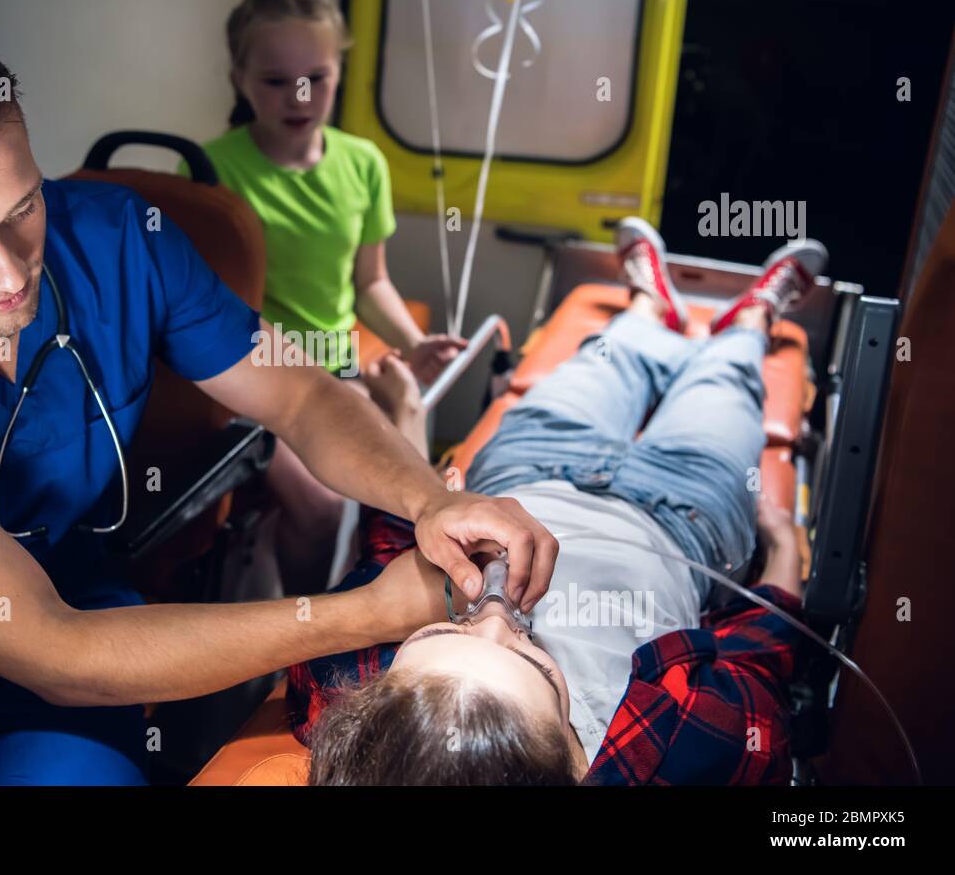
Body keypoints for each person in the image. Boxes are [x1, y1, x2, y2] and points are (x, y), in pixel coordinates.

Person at [0, 10, 556, 785]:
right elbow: (55, 652)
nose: (10, 274)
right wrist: (367, 614)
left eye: (22, 207)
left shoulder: (119, 236)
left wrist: (429, 499)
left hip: (81, 603)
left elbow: (299, 393)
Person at [289, 219, 827, 785]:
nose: (498, 610)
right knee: (727, 379)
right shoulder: (691, 749)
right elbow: (760, 656)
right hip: (683, 521)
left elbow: (395, 537)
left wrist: (408, 418)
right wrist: (785, 543)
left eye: (445, 630)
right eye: (530, 659)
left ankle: (648, 304)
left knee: (608, 358)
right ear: (574, 762)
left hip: (525, 471)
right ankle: (753, 319)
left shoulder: (345, 682)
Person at [191, 0, 468, 592]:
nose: (299, 97)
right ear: (239, 79)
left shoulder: (363, 163)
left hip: (336, 367)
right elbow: (199, 310)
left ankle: (321, 596)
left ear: (340, 72)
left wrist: (414, 342)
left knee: (399, 487)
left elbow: (369, 282)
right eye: (274, 80)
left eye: (317, 78)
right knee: (322, 506)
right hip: (253, 371)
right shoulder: (209, 172)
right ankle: (304, 632)